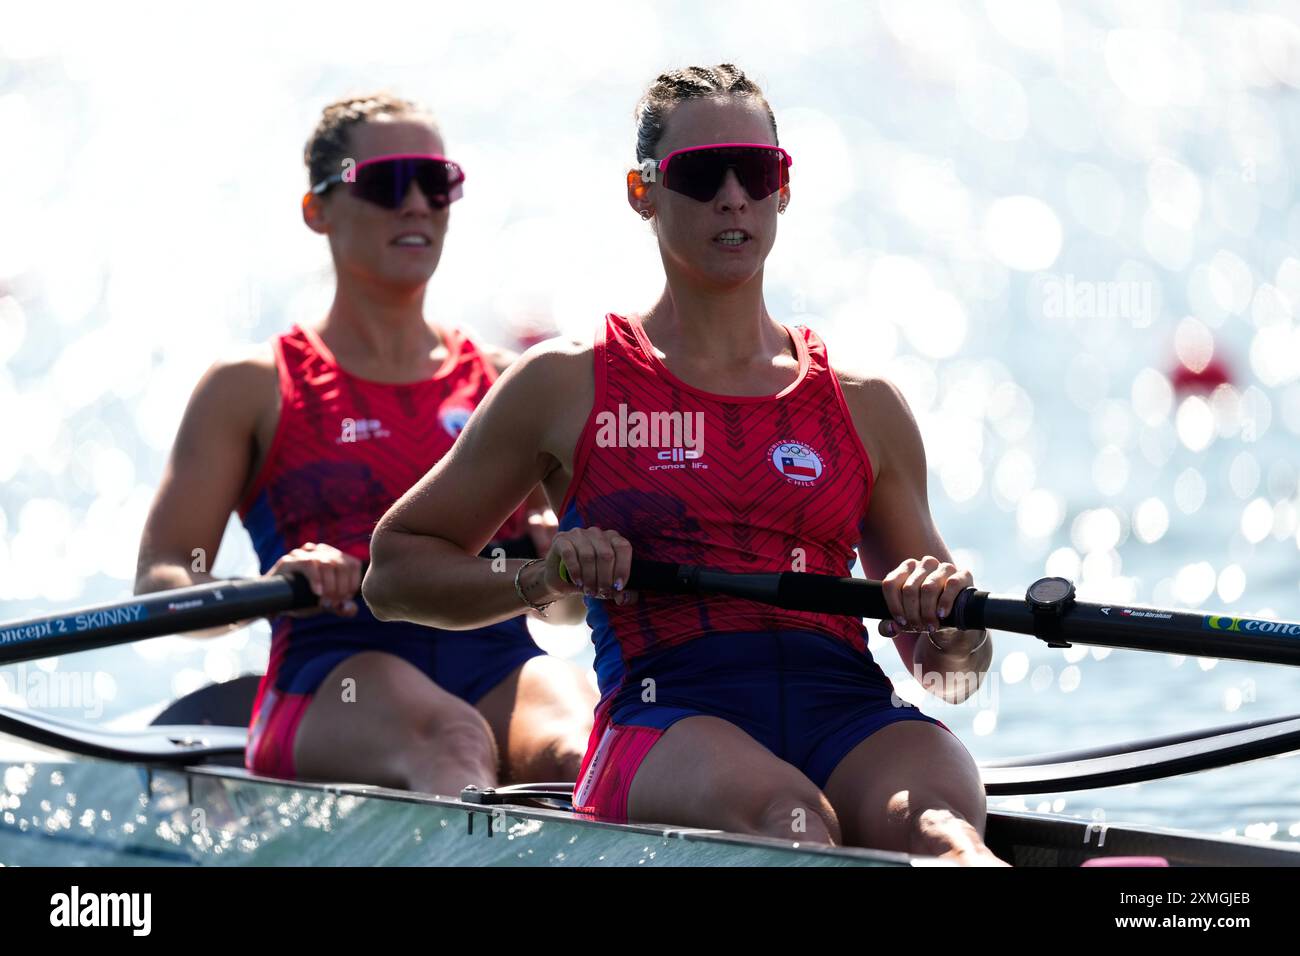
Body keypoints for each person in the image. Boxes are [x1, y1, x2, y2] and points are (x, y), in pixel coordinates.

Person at [363, 67, 1005, 864]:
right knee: (791, 820)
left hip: (848, 709)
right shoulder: (566, 384)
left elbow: (950, 680)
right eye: (703, 176)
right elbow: (392, 574)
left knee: (946, 840)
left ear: (783, 188)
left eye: (757, 173)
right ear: (643, 192)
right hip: (666, 716)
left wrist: (949, 631)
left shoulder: (865, 405)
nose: (734, 197)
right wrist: (542, 580)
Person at [135, 92, 594, 793]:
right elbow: (163, 578)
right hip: (332, 674)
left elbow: (564, 612)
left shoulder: (508, 384)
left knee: (584, 753)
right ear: (316, 210)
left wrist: (558, 569)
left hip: (498, 662)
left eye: (435, 183)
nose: (416, 203)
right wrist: (269, 588)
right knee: (455, 743)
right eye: (384, 183)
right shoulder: (252, 386)